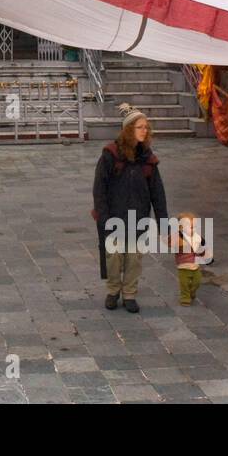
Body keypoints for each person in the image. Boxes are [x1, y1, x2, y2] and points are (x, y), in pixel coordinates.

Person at [92, 104, 167, 314]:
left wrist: (163, 222)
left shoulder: (148, 159)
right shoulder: (110, 155)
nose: (145, 131)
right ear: (128, 129)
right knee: (114, 257)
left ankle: (130, 294)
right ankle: (113, 291)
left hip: (139, 218)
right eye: (140, 127)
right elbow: (99, 189)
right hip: (113, 216)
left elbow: (157, 193)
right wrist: (103, 217)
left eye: (146, 127)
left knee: (134, 258)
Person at [169, 212, 210, 307]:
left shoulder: (197, 237)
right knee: (184, 283)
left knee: (197, 281)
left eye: (195, 227)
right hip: (183, 266)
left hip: (195, 265)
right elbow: (171, 243)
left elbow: (201, 248)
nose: (194, 229)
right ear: (181, 228)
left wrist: (204, 253)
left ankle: (192, 292)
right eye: (191, 227)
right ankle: (185, 297)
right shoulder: (178, 238)